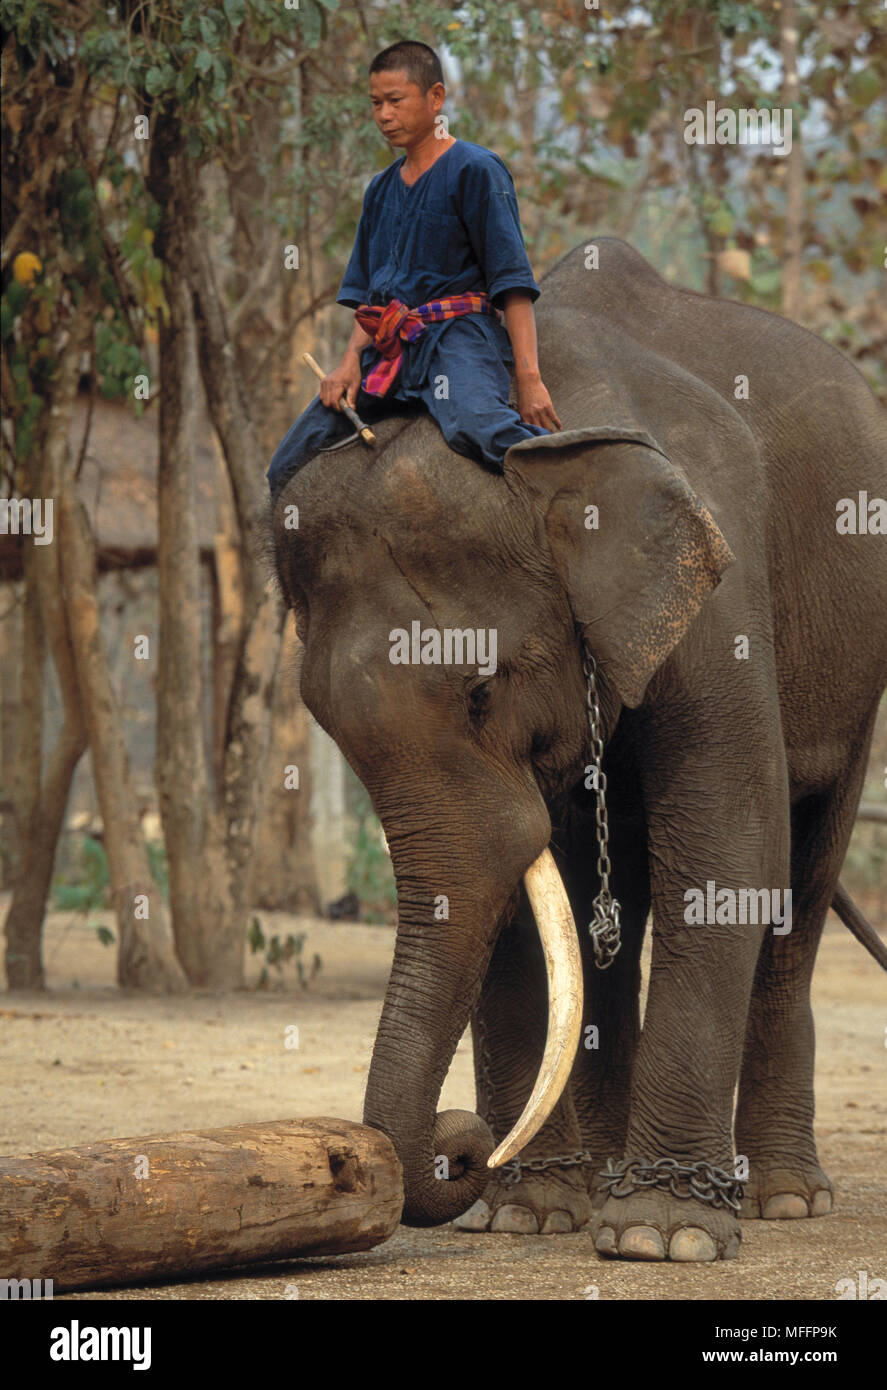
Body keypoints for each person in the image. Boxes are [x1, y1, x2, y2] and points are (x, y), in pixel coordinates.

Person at [266, 39, 561, 501]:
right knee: (288, 462)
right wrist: (347, 364)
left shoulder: (477, 170)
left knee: (478, 428)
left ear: (436, 98)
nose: (383, 115)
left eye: (395, 101)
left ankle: (585, 482)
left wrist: (529, 379)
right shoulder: (380, 190)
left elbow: (512, 285)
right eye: (376, 104)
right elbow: (372, 299)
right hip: (390, 348)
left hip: (458, 337)